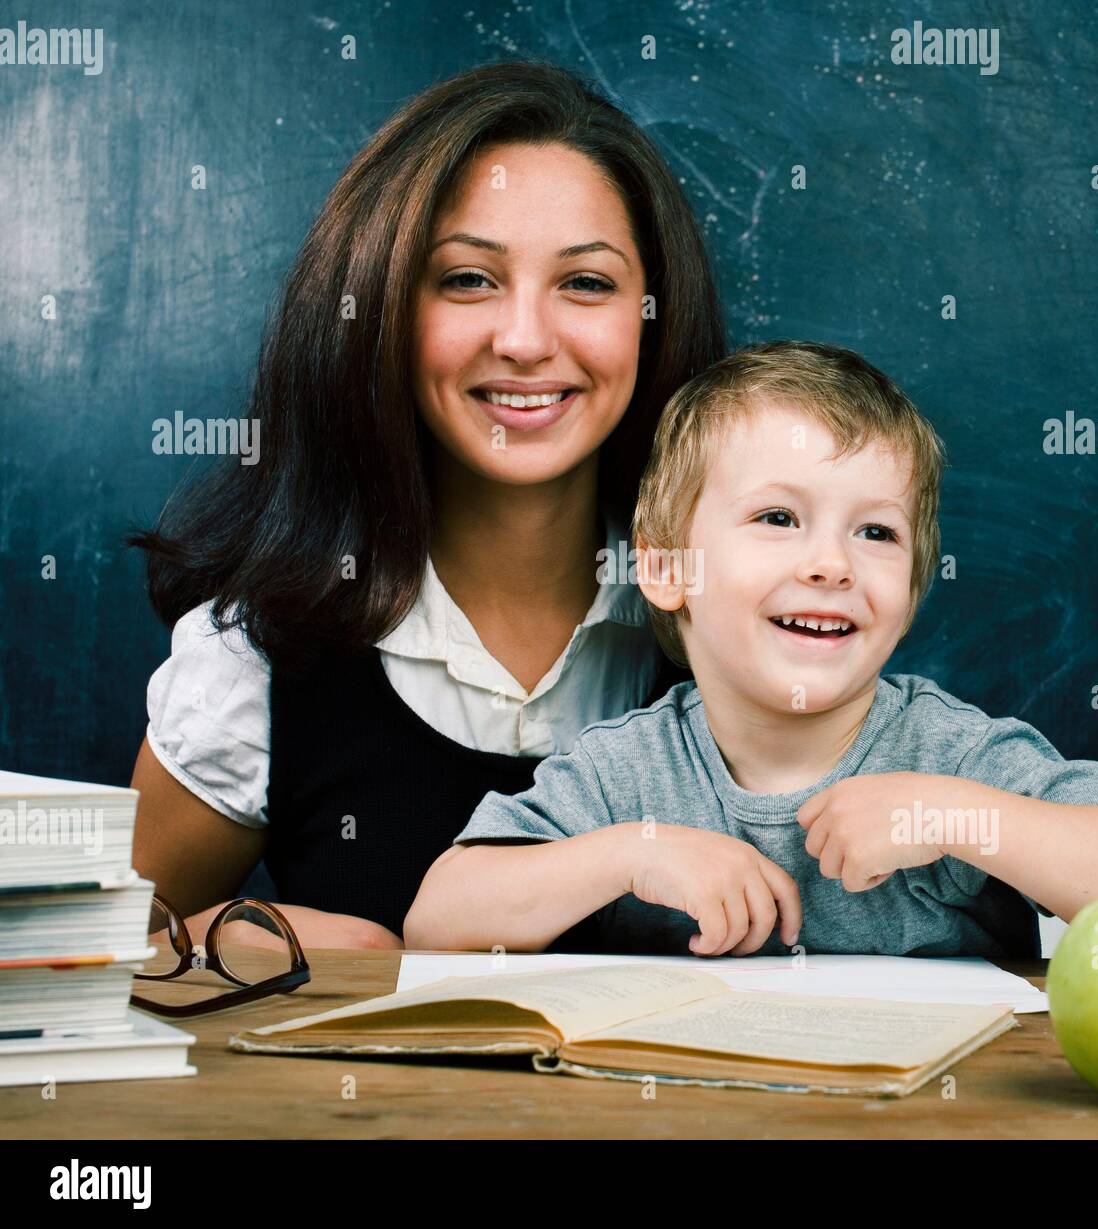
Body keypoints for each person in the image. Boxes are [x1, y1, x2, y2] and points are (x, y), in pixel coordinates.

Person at [125, 60, 725, 949]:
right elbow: (79, 952)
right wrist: (227, 945)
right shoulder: (262, 658)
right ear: (379, 314)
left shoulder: (753, 615)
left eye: (586, 283)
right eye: (467, 280)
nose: (524, 340)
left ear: (652, 313)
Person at [404, 340, 1098, 959]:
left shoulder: (948, 755)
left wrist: (957, 818)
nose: (832, 564)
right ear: (663, 568)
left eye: (877, 532)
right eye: (779, 518)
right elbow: (439, 921)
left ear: (912, 592)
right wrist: (629, 855)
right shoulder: (628, 770)